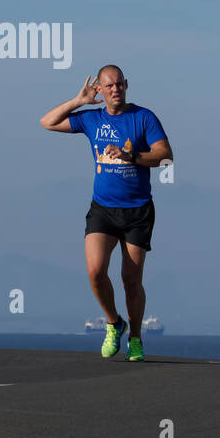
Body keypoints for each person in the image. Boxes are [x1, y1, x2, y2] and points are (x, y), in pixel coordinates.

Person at [40, 65, 172, 361]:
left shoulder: (143, 117)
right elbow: (47, 122)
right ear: (99, 89)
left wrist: (131, 156)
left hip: (137, 210)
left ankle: (136, 338)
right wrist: (78, 101)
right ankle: (114, 322)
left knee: (131, 280)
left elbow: (166, 159)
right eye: (109, 86)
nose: (116, 90)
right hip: (103, 209)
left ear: (127, 85)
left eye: (120, 85)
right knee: (95, 272)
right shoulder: (92, 119)